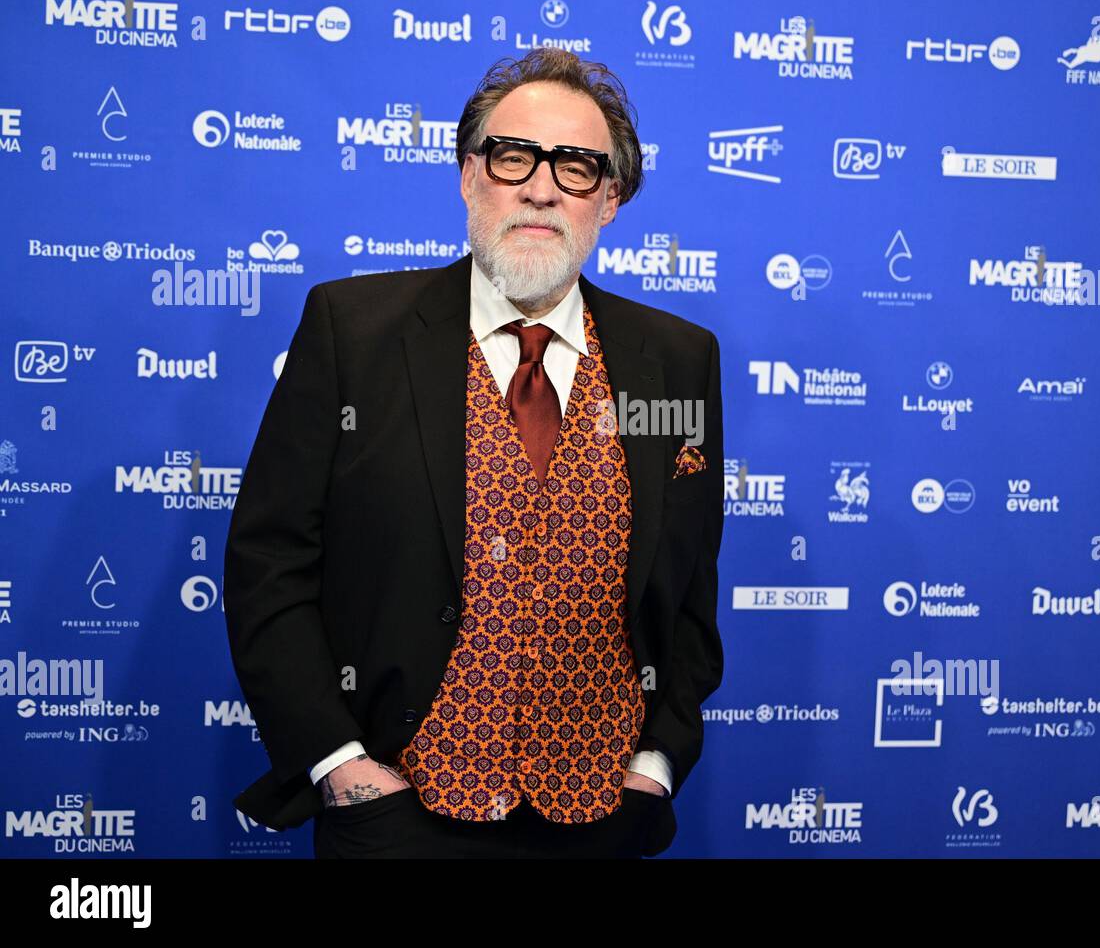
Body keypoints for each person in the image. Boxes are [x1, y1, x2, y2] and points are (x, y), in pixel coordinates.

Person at [223, 48, 725, 858]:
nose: (539, 186)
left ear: (612, 199)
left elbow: (690, 597)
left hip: (600, 823)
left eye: (576, 167)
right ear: (468, 175)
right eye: (512, 154)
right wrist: (340, 765)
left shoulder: (676, 360)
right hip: (396, 818)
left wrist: (657, 763)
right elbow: (268, 563)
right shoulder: (351, 331)